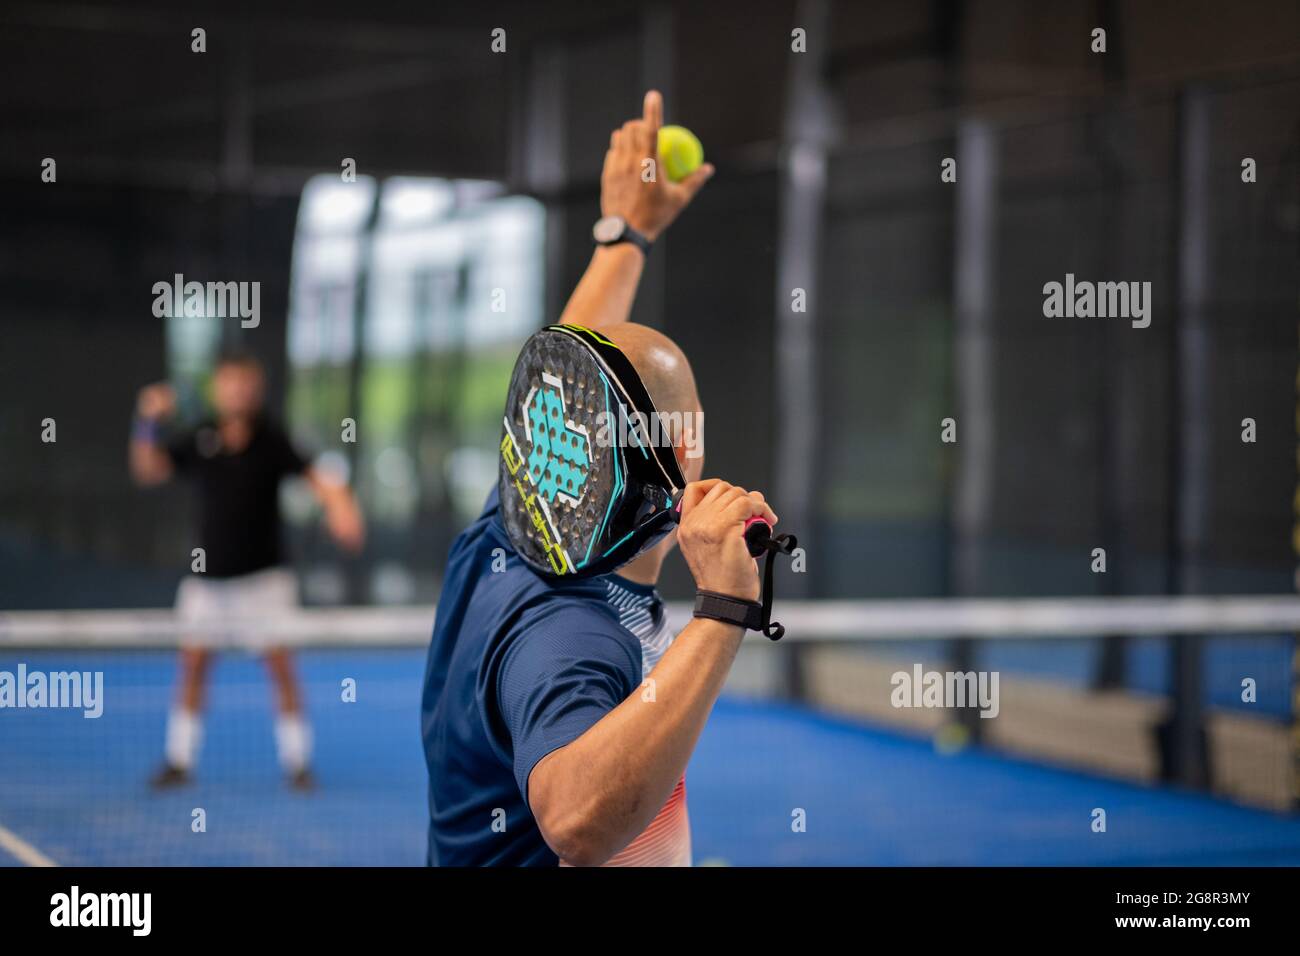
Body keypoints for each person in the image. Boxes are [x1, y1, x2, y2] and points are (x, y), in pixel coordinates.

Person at [422, 90, 778, 865]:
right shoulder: (572, 634)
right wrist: (722, 610)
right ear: (687, 451)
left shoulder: (513, 527)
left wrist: (626, 234)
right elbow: (577, 820)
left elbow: (569, 382)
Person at [130, 350, 364, 790]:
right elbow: (148, 469)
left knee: (281, 666)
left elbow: (320, 478)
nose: (238, 390)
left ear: (256, 389)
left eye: (247, 382)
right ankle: (179, 760)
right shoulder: (198, 436)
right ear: (216, 387)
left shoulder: (273, 440)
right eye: (230, 382)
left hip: (265, 581)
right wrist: (147, 420)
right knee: (194, 666)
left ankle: (297, 761)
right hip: (206, 582)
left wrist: (341, 507)